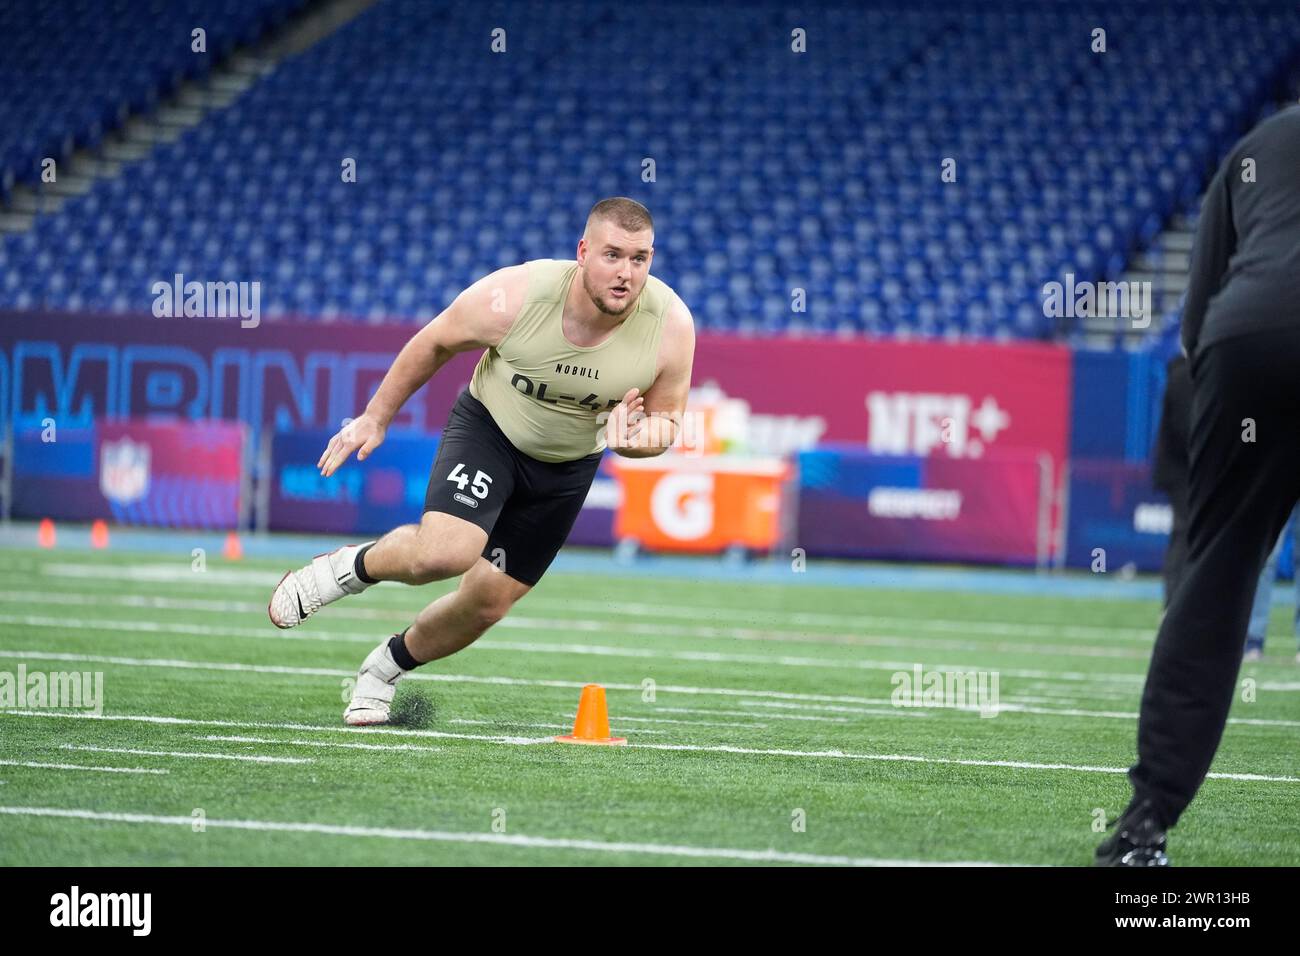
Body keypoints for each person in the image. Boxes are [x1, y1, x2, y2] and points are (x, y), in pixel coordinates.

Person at [266, 197, 696, 725]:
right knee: (443, 555)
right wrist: (376, 417)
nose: (627, 273)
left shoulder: (670, 323)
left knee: (487, 603)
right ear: (583, 252)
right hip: (491, 430)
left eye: (640, 258)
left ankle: (381, 671)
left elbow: (668, 422)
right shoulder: (517, 295)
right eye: (613, 255)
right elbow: (435, 341)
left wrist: (631, 440)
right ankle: (346, 569)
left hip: (567, 467)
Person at [1097, 105, 1300, 866]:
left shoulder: (1261, 142)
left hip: (1247, 340)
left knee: (1218, 574)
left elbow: (1195, 312)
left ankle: (1145, 824)